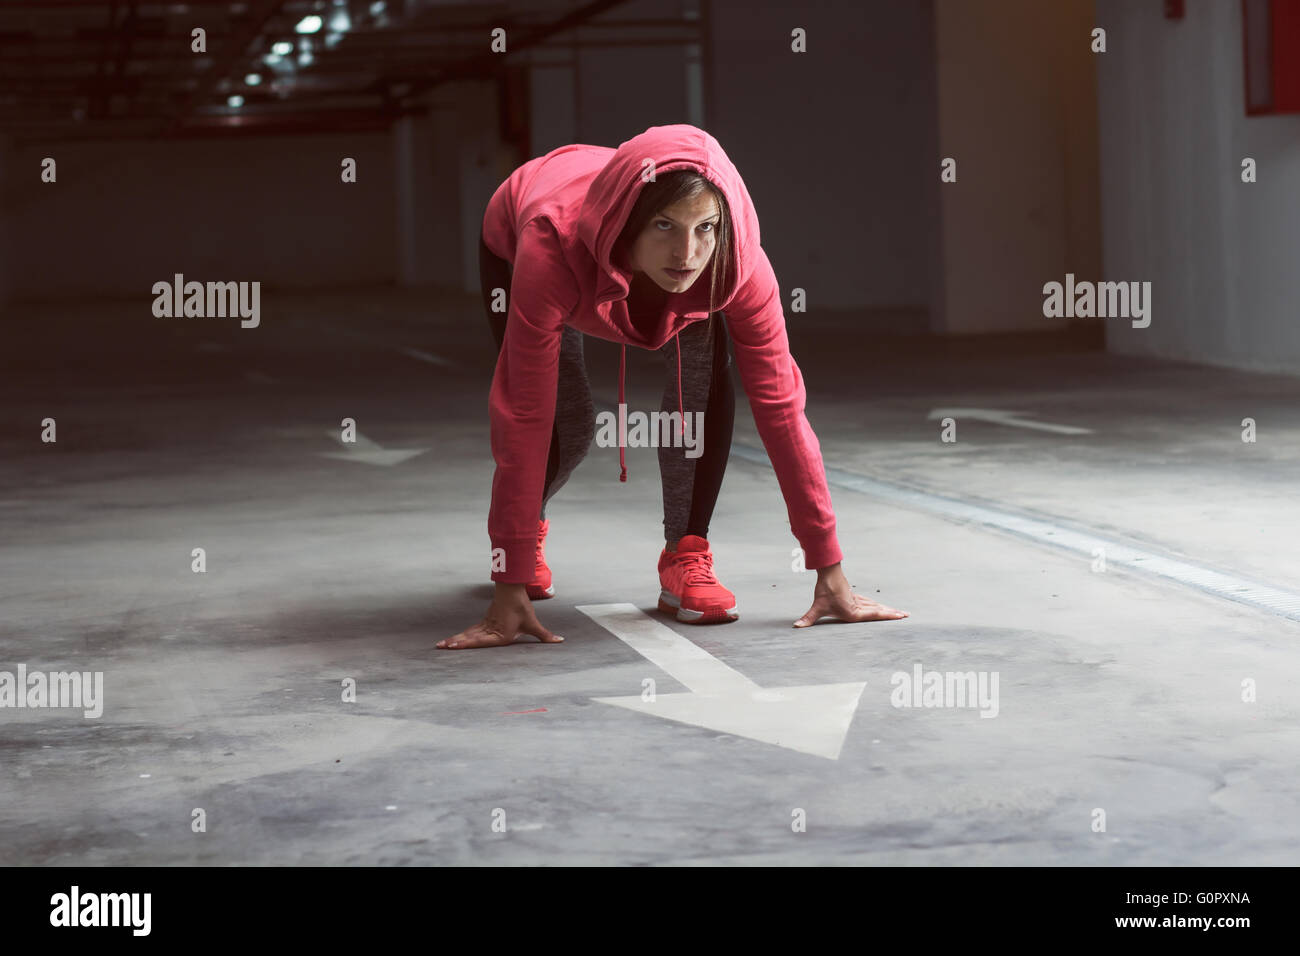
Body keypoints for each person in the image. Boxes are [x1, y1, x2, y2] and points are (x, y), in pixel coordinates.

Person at [438, 124, 907, 650]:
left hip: (616, 228)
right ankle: (528, 538)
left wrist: (831, 572)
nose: (687, 251)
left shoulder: (732, 265)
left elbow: (781, 406)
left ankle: (686, 551)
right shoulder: (550, 248)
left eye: (705, 226)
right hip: (533, 230)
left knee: (698, 398)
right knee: (560, 422)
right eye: (664, 225)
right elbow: (522, 412)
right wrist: (508, 583)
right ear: (630, 224)